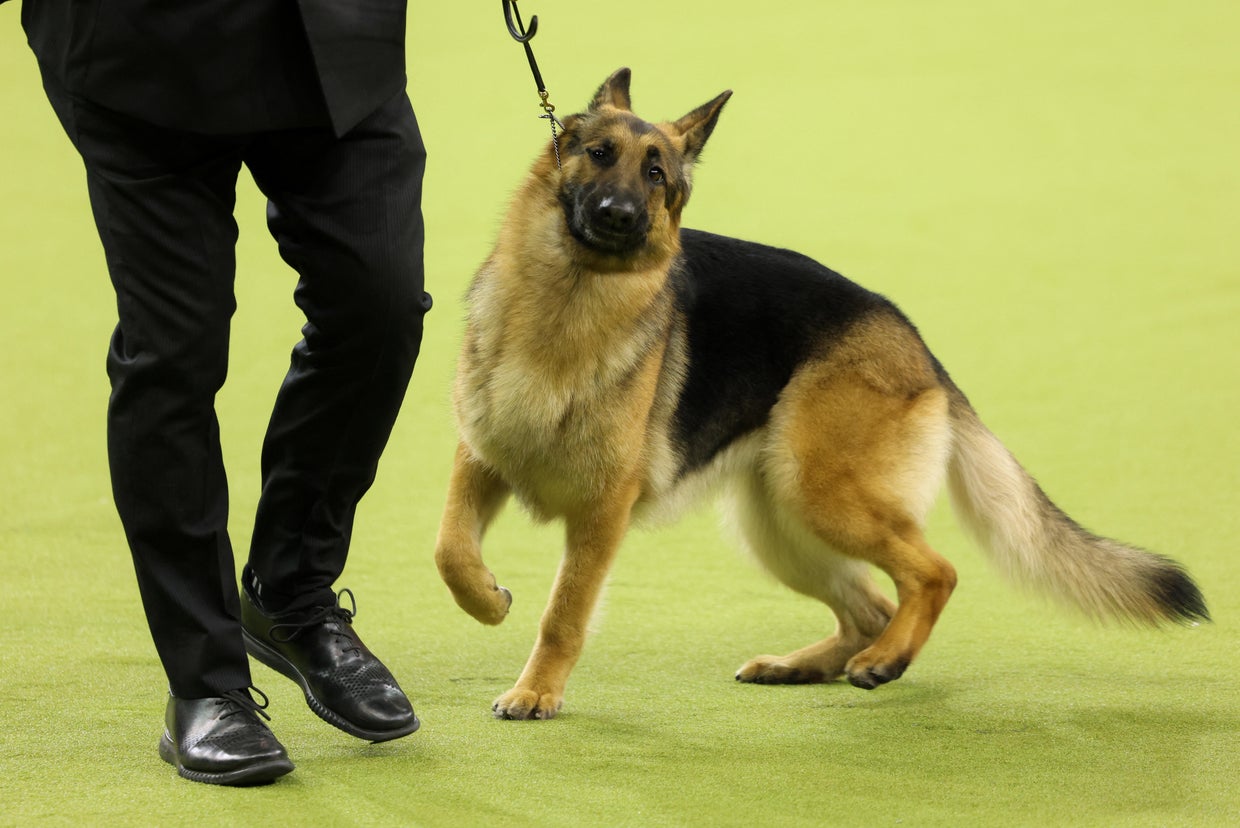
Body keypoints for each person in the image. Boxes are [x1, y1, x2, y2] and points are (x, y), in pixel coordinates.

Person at [12, 0, 430, 785]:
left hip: (332, 37)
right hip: (137, 49)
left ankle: (289, 593)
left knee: (380, 303)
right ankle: (204, 683)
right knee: (175, 351)